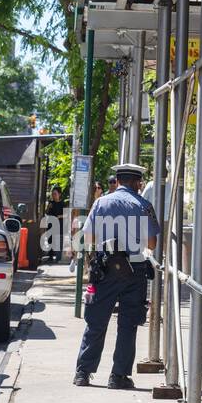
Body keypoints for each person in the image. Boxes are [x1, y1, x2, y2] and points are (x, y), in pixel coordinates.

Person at [74, 163, 159, 389]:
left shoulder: (100, 203)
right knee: (128, 324)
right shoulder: (144, 205)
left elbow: (88, 236)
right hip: (135, 270)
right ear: (138, 183)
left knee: (95, 322)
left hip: (104, 270)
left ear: (118, 181)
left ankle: (83, 373)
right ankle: (118, 376)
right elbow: (152, 243)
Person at [44, 186, 66, 263]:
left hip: (59, 224)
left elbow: (66, 214)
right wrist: (48, 208)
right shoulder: (51, 203)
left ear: (59, 194)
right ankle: (50, 256)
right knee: (50, 240)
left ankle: (57, 257)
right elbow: (47, 213)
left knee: (57, 240)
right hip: (50, 224)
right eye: (52, 194)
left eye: (55, 194)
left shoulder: (62, 203)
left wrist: (59, 216)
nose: (53, 195)